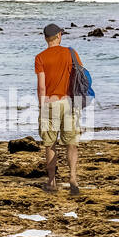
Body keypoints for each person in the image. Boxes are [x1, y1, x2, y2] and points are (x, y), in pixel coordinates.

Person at [35, 23, 85, 195]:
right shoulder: (71, 53)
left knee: (50, 143)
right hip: (70, 102)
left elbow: (41, 87)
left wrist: (41, 106)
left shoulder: (40, 58)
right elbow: (81, 76)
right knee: (72, 142)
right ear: (59, 36)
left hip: (49, 103)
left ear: (45, 38)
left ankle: (52, 182)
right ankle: (72, 178)